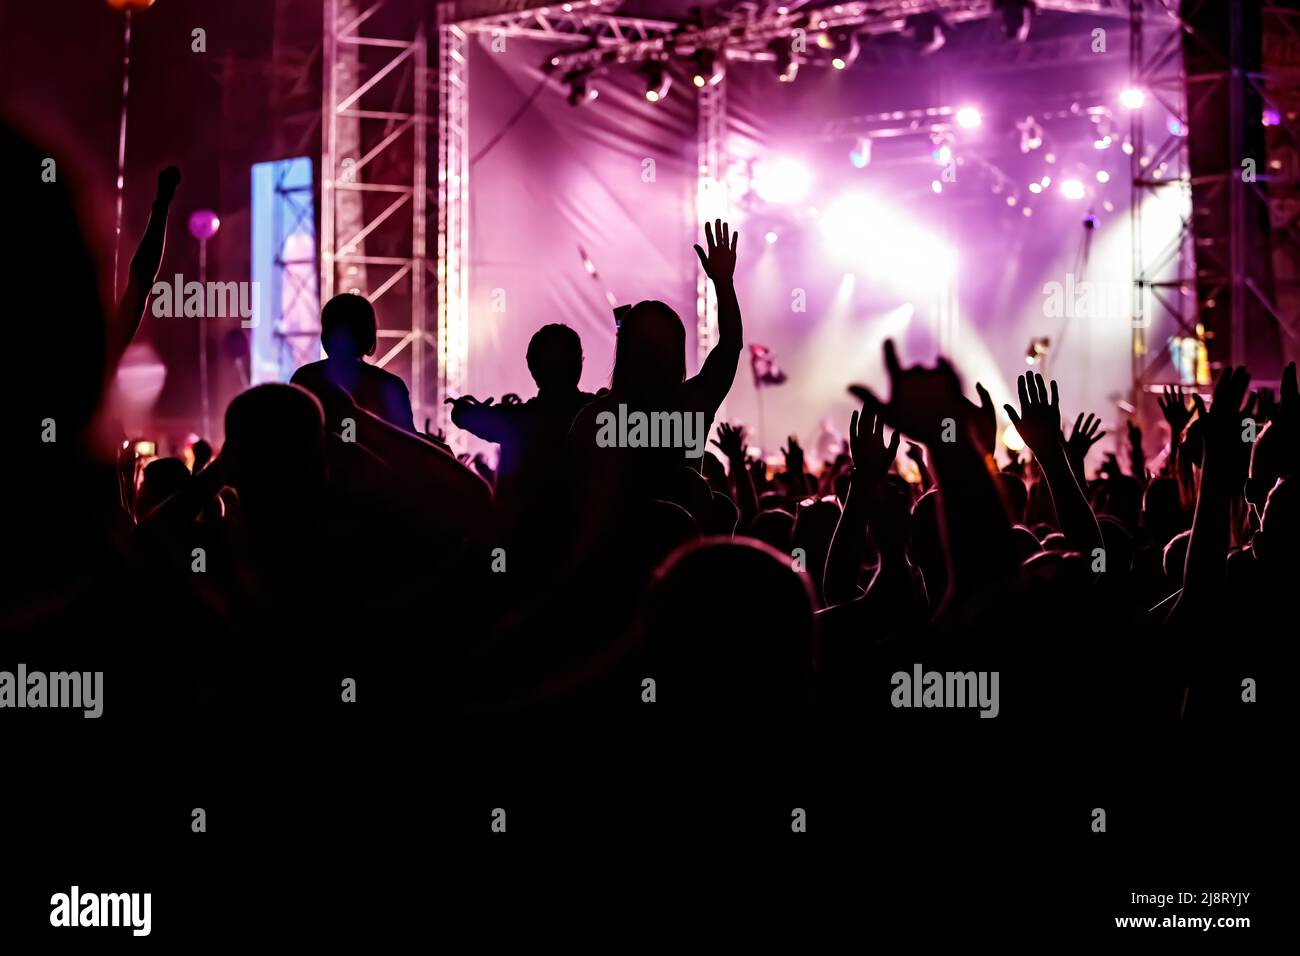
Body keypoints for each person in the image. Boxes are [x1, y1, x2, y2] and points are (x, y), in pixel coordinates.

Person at [291, 293, 415, 431]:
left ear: (327, 334)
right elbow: (408, 445)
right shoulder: (390, 385)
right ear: (368, 336)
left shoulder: (306, 378)